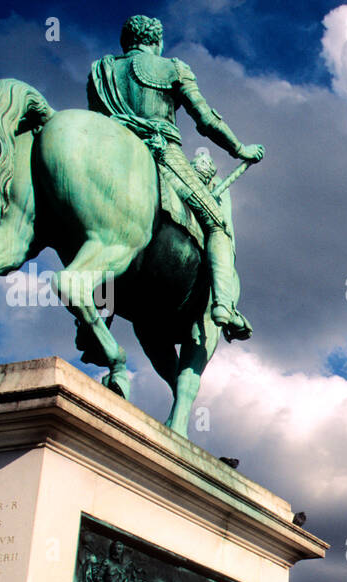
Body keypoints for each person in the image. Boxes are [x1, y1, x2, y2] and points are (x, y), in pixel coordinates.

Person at [87, 14, 262, 341]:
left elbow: (95, 124)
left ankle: (96, 323)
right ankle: (224, 306)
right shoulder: (172, 68)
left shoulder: (102, 69)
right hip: (162, 153)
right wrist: (240, 149)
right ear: (157, 41)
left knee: (96, 231)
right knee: (218, 226)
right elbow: (206, 120)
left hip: (106, 155)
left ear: (127, 41)